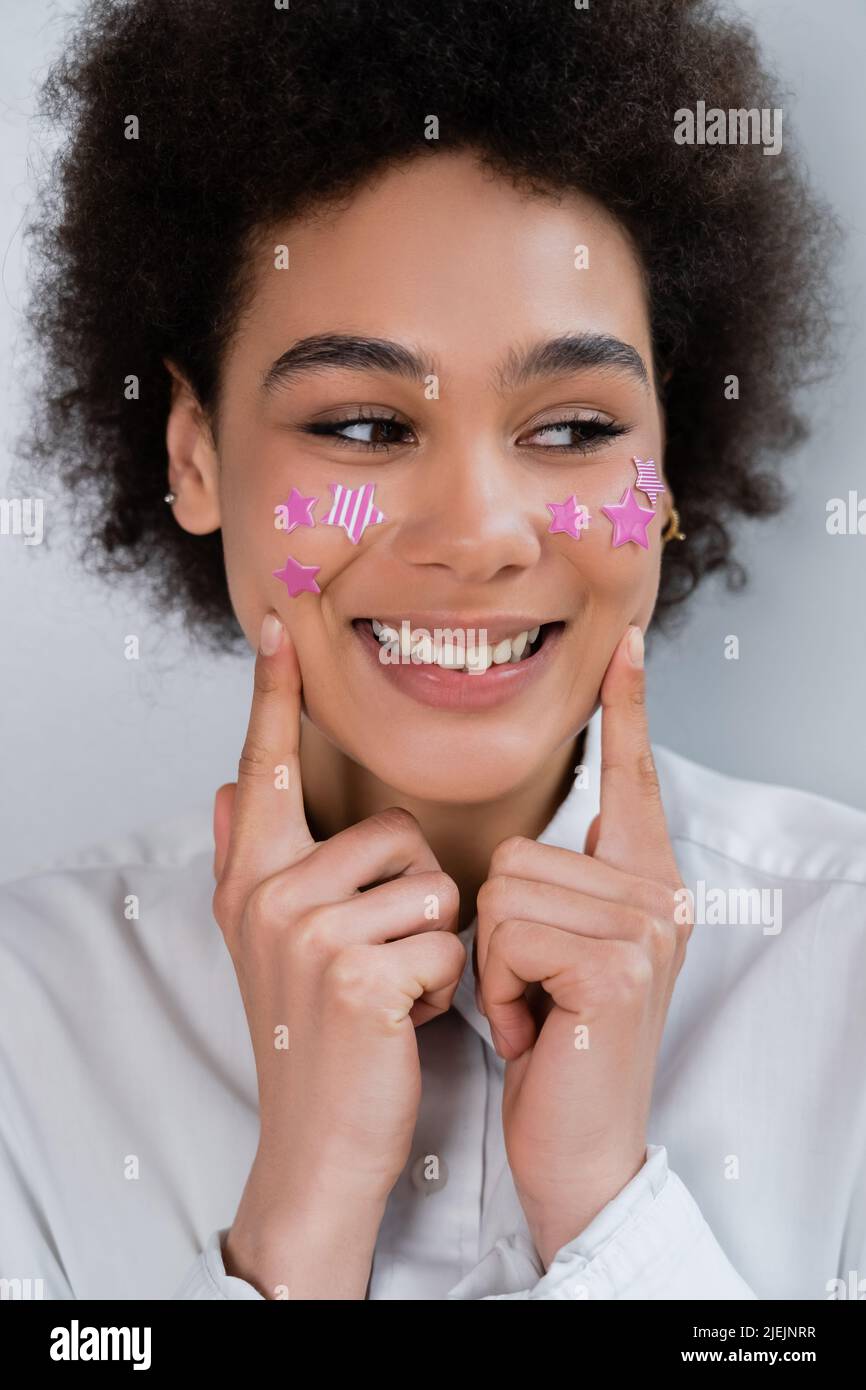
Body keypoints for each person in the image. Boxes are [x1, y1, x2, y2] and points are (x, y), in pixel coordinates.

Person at [2, 0, 863, 1301]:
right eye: (359, 423)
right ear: (193, 454)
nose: (477, 535)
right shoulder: (27, 1014)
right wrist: (296, 1221)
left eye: (574, 428)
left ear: (666, 456)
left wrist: (606, 1208)